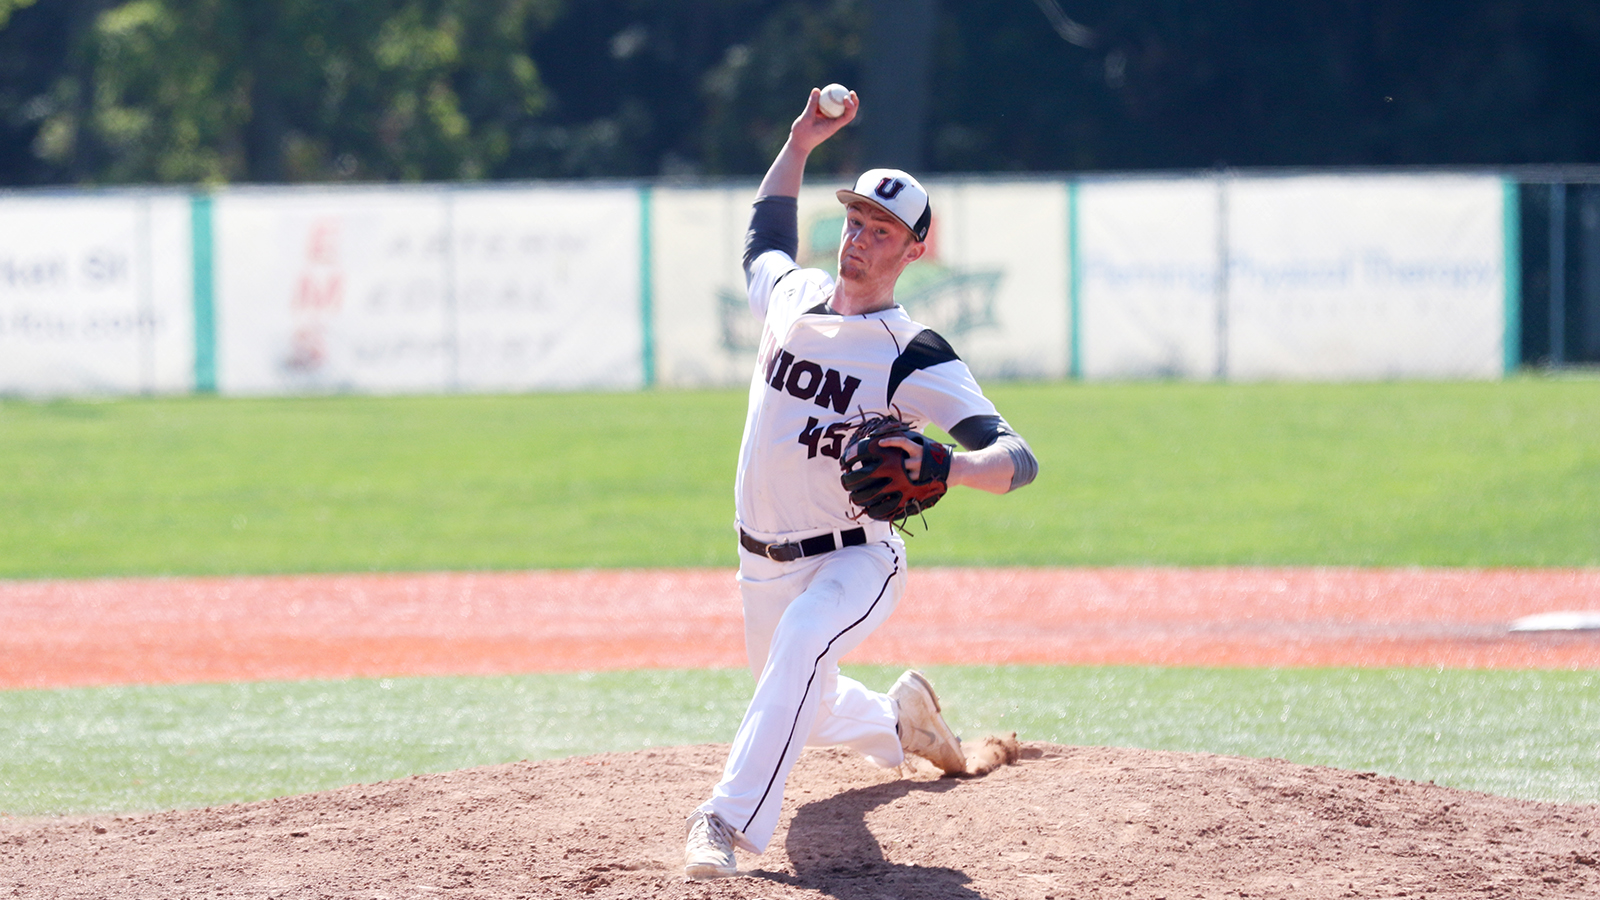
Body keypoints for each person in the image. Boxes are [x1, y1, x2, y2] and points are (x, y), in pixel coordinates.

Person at [683, 87, 1039, 881]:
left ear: (913, 251)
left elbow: (1017, 458)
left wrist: (948, 466)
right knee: (800, 696)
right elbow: (763, 236)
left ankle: (724, 822)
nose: (859, 240)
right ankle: (903, 724)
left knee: (805, 643)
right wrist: (800, 141)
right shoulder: (794, 296)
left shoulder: (912, 352)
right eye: (853, 222)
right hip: (760, 562)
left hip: (856, 557)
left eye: (882, 232)